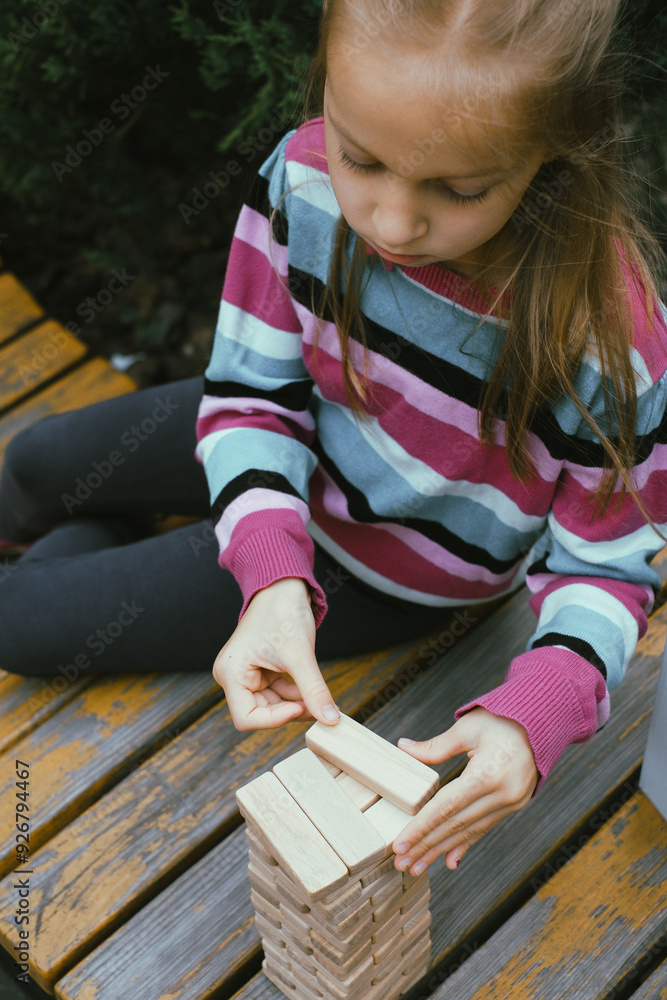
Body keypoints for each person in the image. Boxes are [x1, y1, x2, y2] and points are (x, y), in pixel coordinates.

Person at [1, 0, 666, 878]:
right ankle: (92, 546)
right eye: (361, 157)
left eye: (459, 190)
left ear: (555, 150)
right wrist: (267, 567)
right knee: (34, 460)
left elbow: (605, 569)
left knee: (19, 621)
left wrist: (530, 713)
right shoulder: (303, 177)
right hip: (285, 440)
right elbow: (248, 393)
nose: (390, 224)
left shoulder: (607, 344)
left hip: (386, 569)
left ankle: (83, 557)